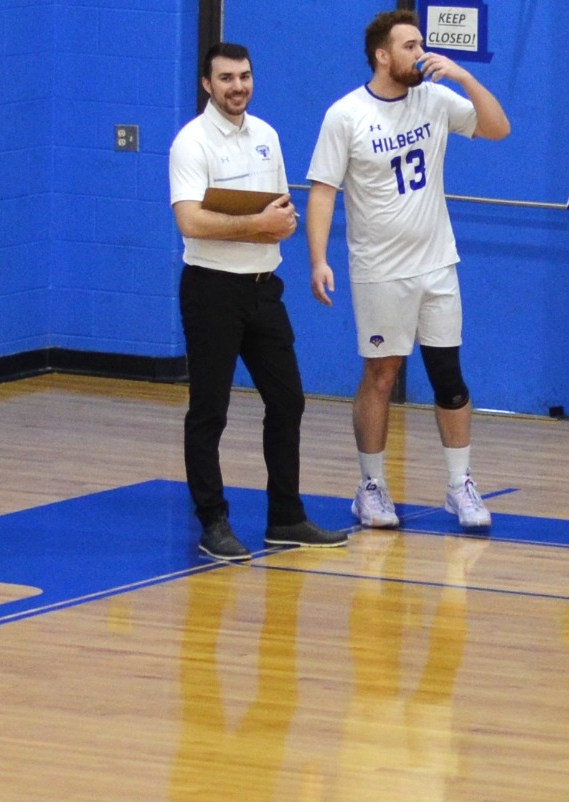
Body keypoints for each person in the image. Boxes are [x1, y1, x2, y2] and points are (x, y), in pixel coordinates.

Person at [304, 9, 509, 532]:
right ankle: (370, 487)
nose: (420, 52)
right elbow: (324, 191)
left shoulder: (436, 98)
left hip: (438, 264)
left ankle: (460, 484)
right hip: (379, 270)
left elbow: (498, 128)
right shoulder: (345, 114)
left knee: (450, 377)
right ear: (382, 55)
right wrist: (319, 259)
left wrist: (463, 76)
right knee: (381, 375)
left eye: (421, 43)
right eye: (409, 44)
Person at [169, 41, 350, 562]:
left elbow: (278, 212)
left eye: (244, 76)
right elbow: (190, 221)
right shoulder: (191, 143)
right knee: (210, 410)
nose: (237, 87)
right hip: (211, 289)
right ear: (207, 84)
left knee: (288, 399)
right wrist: (257, 225)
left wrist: (283, 224)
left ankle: (286, 517)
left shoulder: (267, 135)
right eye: (226, 78)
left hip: (263, 286)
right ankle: (213, 522)